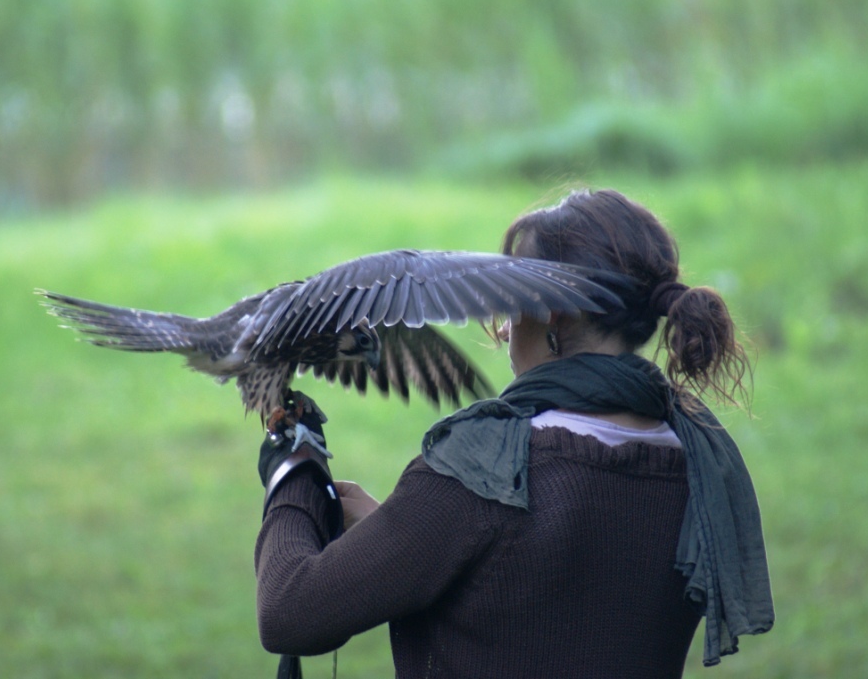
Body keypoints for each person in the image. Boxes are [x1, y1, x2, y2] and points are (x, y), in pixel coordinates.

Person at [255, 188, 774, 678]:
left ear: (548, 310)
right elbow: (549, 601)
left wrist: (294, 469)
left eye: (508, 303)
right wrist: (397, 529)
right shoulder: (699, 461)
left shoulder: (488, 472)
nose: (503, 329)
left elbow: (289, 612)